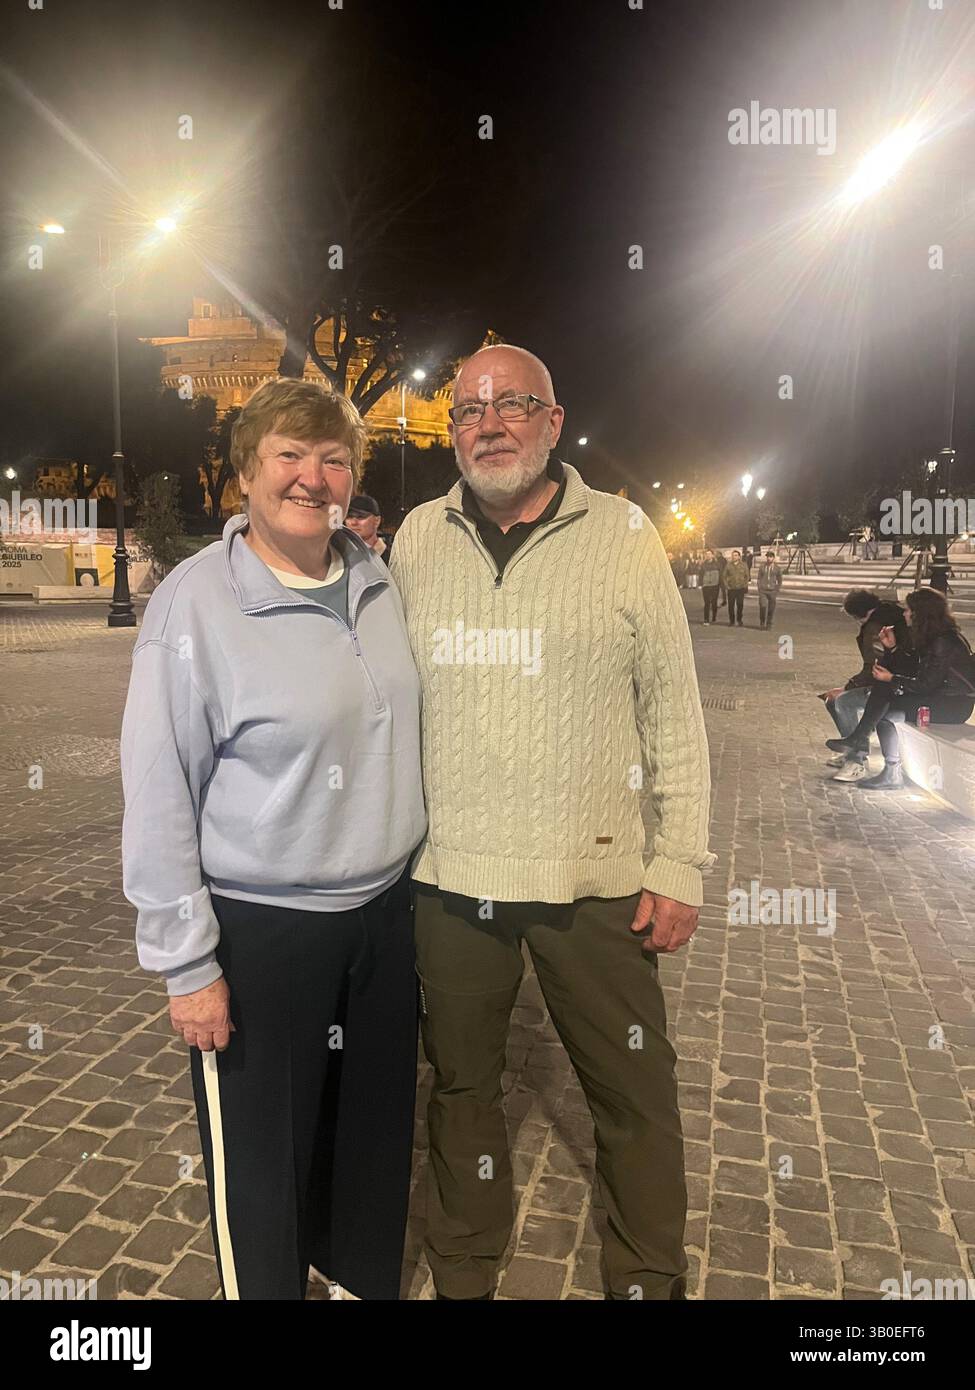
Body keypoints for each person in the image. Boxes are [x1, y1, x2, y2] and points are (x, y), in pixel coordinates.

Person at [390, 343, 715, 1301]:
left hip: (598, 881)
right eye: (467, 412)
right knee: (459, 1091)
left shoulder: (621, 533)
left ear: (553, 421)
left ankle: (648, 1276)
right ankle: (462, 1265)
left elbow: (672, 711)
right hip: (452, 879)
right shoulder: (416, 536)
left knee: (633, 1096)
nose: (487, 425)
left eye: (511, 405)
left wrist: (680, 861)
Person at [120, 379, 426, 1301]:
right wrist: (186, 964)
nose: (312, 477)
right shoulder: (194, 604)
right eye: (288, 456)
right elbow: (159, 782)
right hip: (262, 934)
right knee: (262, 1166)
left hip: (381, 918)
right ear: (245, 474)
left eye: (334, 459)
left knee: (368, 1145)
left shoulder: (376, 579)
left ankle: (355, 1283)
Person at [826, 589, 975, 789]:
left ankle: (872, 752)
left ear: (920, 613)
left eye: (908, 610)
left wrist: (892, 678)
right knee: (884, 693)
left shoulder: (943, 642)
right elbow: (912, 669)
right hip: (938, 697)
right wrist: (892, 649)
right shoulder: (931, 636)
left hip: (953, 705)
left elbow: (926, 683)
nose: (904, 613)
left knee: (885, 702)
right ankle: (880, 762)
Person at [818, 590, 911, 783]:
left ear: (857, 614)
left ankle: (856, 759)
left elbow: (874, 668)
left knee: (842, 702)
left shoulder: (874, 628)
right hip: (891, 682)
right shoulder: (888, 614)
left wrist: (847, 689)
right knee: (834, 700)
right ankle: (852, 749)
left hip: (891, 686)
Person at [344, 492, 388, 560]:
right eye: (349, 517)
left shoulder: (391, 558)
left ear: (377, 521)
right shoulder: (339, 557)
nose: (353, 522)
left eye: (360, 517)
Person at [756, 550, 782, 629]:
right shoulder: (762, 567)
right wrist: (759, 587)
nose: (768, 558)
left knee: (771, 608)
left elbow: (780, 579)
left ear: (773, 558)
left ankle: (769, 623)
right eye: (767, 557)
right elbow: (759, 578)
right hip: (763, 590)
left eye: (770, 557)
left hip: (772, 590)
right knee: (763, 606)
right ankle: (762, 622)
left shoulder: (777, 568)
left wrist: (777, 589)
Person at [723, 549, 749, 626]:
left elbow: (747, 576)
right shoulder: (728, 565)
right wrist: (727, 586)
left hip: (740, 588)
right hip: (731, 588)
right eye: (733, 555)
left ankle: (739, 620)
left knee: (740, 605)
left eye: (736, 555)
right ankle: (732, 621)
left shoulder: (744, 565)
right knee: (731, 605)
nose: (734, 557)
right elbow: (724, 576)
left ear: (739, 556)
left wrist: (745, 585)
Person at [698, 548, 722, 624]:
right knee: (707, 603)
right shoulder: (703, 565)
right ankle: (706, 619)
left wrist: (721, 584)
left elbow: (721, 574)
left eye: (709, 554)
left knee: (714, 602)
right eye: (706, 554)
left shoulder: (717, 564)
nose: (708, 556)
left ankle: (714, 617)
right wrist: (701, 584)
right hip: (706, 586)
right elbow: (701, 575)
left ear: (712, 555)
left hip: (715, 585)